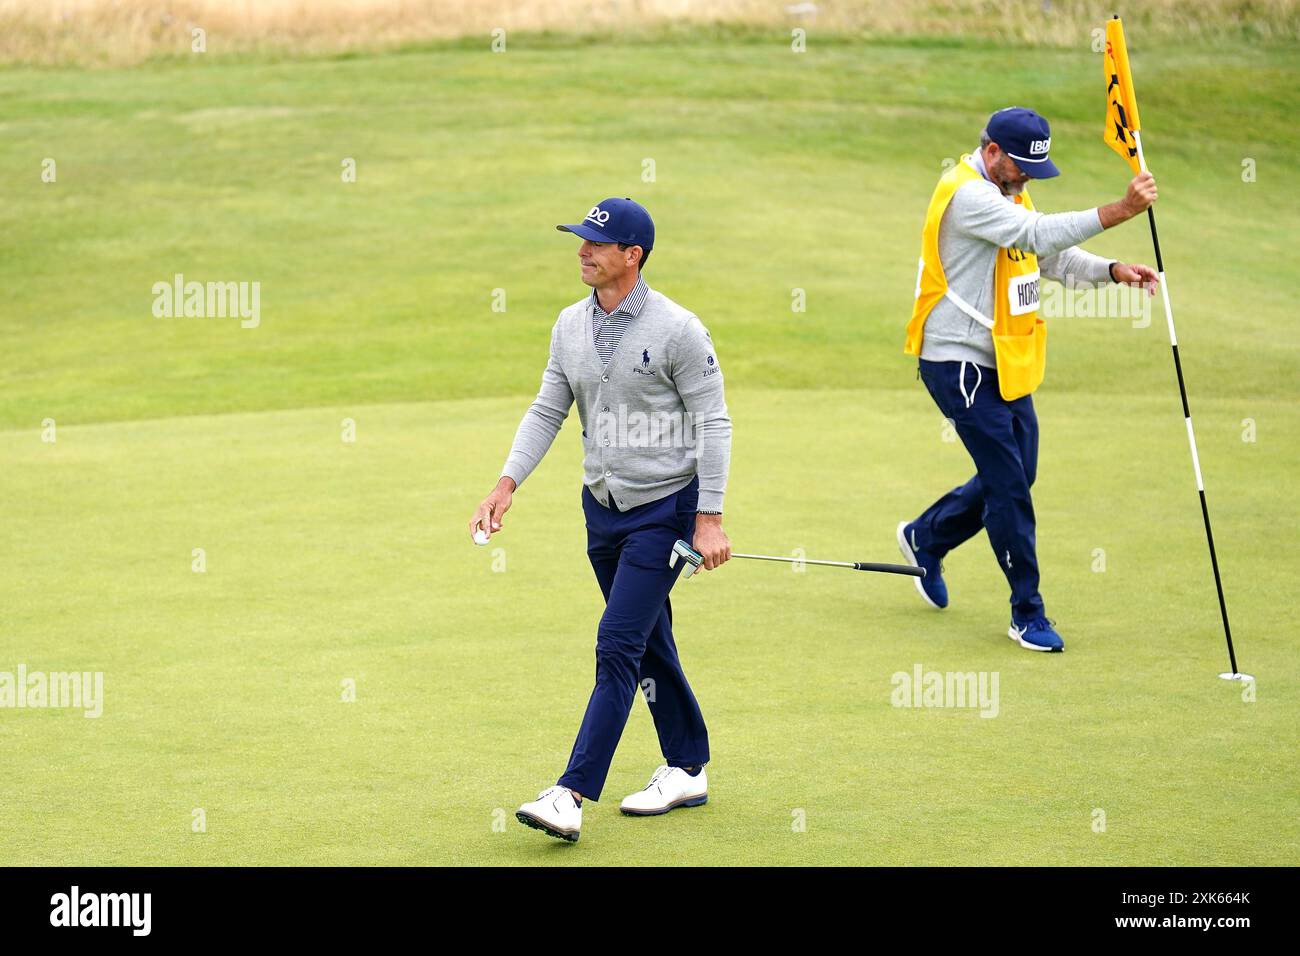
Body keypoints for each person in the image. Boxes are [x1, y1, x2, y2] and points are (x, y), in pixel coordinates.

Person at [468, 197, 732, 842]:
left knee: (616, 646)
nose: (582, 251)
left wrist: (709, 519)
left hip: (664, 510)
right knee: (646, 639)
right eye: (580, 240)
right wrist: (506, 484)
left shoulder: (678, 330)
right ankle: (687, 765)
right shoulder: (568, 325)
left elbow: (714, 422)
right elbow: (547, 409)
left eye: (595, 243)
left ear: (631, 256)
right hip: (603, 510)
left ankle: (570, 792)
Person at [899, 107, 1159, 652]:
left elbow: (1048, 255)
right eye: (1020, 169)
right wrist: (1119, 210)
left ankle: (927, 537)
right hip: (958, 362)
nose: (1025, 181)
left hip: (1004, 359)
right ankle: (1027, 613)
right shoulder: (969, 195)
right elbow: (1033, 232)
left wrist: (1112, 270)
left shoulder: (1008, 191)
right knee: (1009, 486)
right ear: (992, 151)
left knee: (1020, 472)